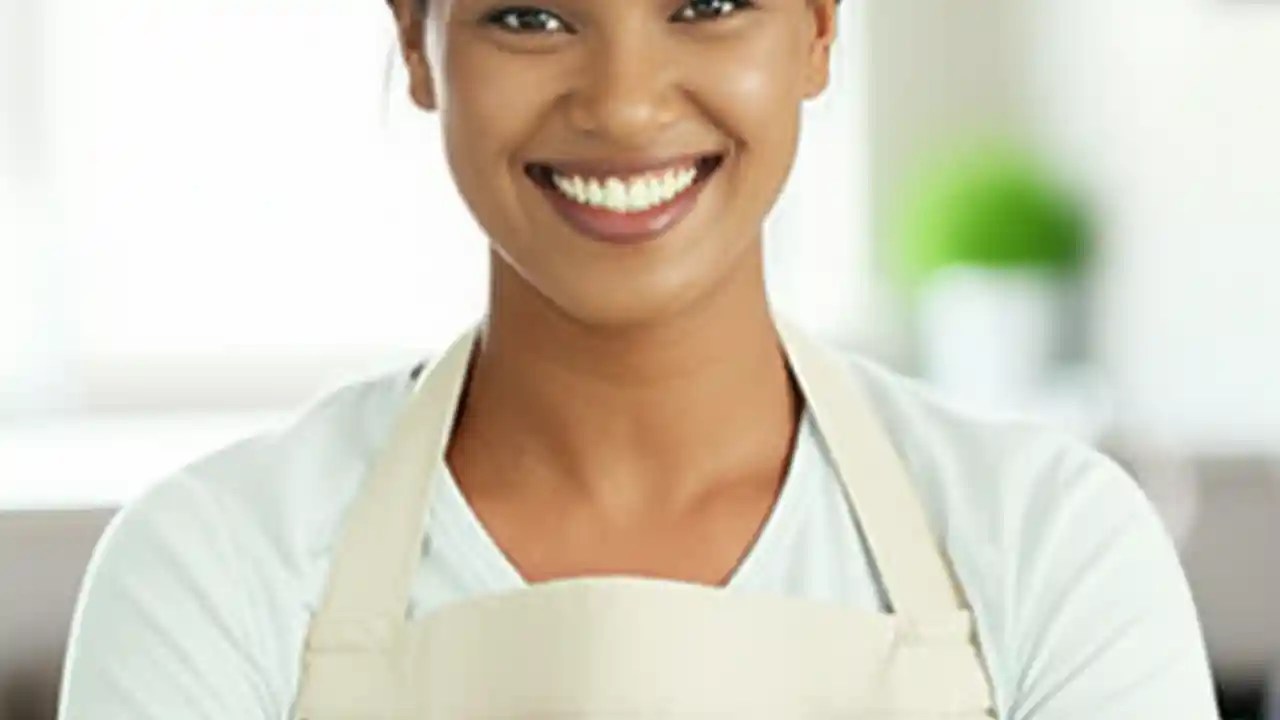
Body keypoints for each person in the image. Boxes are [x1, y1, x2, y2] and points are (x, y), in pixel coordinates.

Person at [58, 0, 1220, 717]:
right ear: (415, 41)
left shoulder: (1050, 549)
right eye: (527, 15)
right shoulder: (209, 574)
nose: (621, 105)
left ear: (819, 26)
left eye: (706, 1)